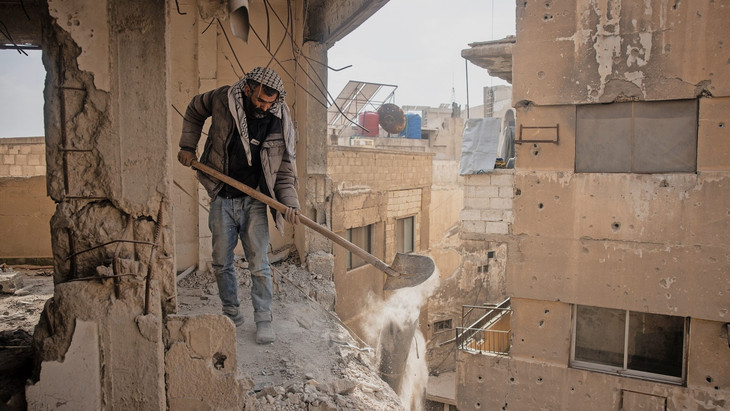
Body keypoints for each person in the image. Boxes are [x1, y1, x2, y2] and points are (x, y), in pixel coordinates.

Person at [177, 66, 300, 344]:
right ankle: (231, 315)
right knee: (221, 261)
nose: (264, 107)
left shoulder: (277, 120)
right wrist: (188, 145)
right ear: (248, 88)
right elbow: (195, 110)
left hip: (255, 198)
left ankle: (263, 319)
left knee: (259, 263)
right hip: (221, 194)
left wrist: (289, 203)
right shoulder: (222, 99)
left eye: (270, 103)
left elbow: (283, 169)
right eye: (260, 100)